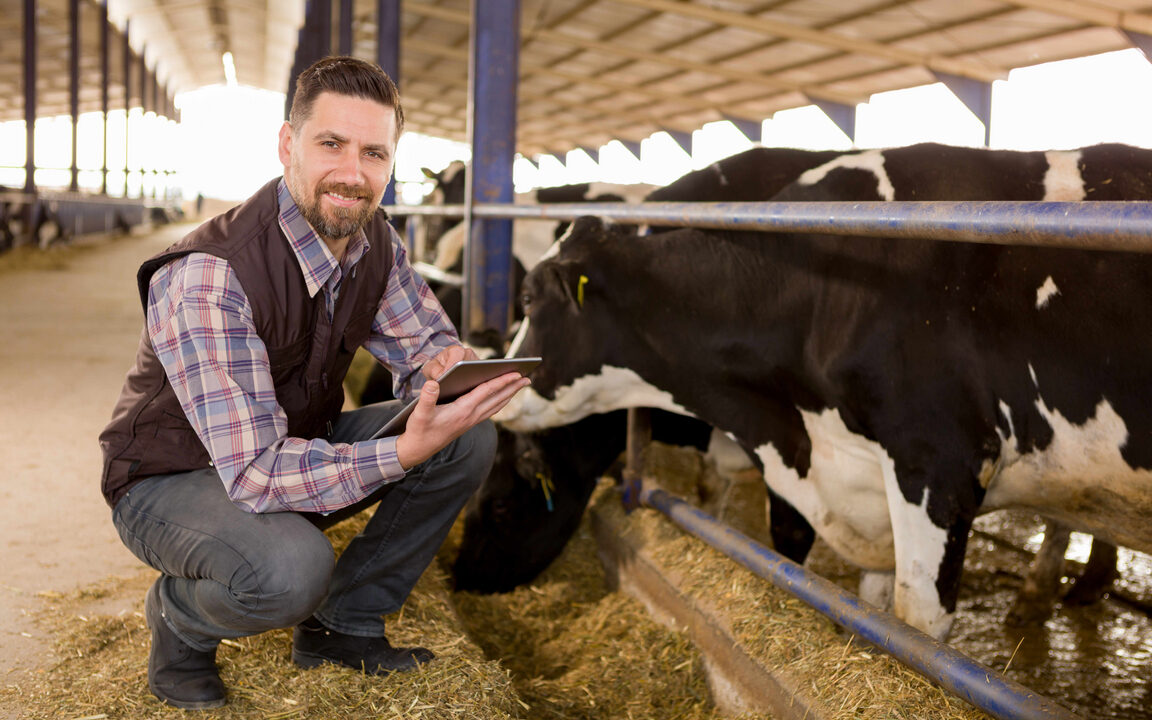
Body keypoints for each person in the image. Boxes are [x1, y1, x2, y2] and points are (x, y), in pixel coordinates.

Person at [98, 56, 530, 710]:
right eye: (331, 144)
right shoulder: (210, 276)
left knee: (466, 438)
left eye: (374, 153)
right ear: (287, 144)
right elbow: (253, 472)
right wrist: (398, 453)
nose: (353, 174)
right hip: (174, 476)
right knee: (290, 569)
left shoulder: (372, 241)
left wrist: (445, 369)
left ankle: (342, 626)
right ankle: (179, 618)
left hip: (292, 445)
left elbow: (426, 341)